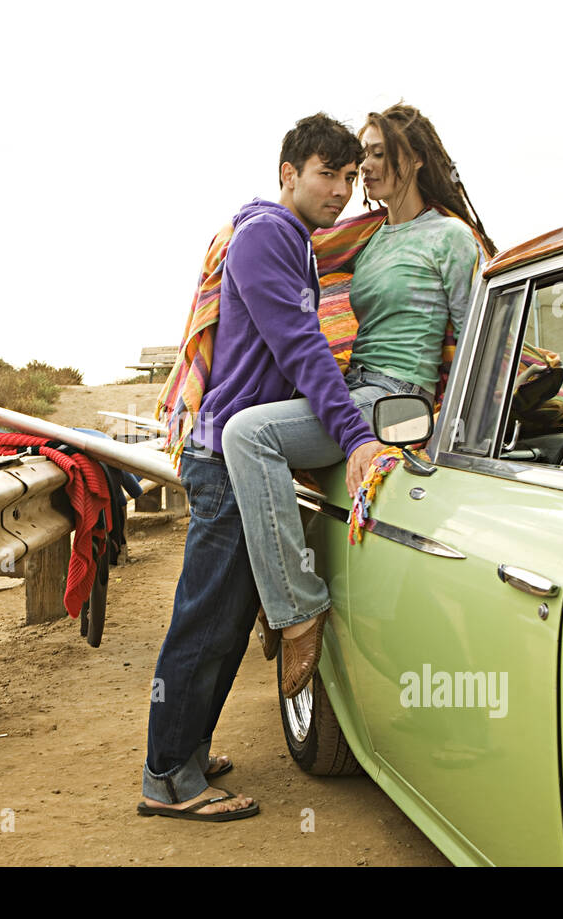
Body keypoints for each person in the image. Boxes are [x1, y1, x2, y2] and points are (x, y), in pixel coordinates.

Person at [139, 114, 384, 821]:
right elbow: (302, 348)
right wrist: (354, 436)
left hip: (227, 450)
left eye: (347, 177)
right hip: (223, 456)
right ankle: (166, 779)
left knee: (225, 613)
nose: (339, 189)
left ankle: (183, 750)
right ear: (289, 175)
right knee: (207, 620)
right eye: (324, 174)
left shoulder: (288, 238)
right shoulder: (271, 235)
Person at [221, 103, 497, 699]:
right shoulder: (368, 243)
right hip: (357, 388)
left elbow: (479, 338)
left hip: (395, 397)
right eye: (353, 162)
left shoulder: (450, 237)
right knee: (249, 434)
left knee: (247, 434)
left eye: (374, 156)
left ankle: (296, 609)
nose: (360, 171)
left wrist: (453, 433)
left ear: (414, 159)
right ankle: (277, 598)